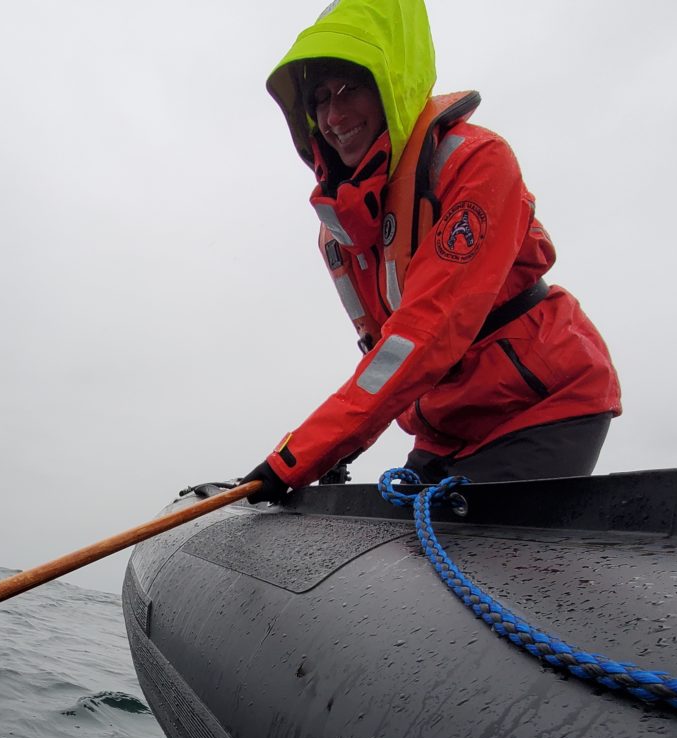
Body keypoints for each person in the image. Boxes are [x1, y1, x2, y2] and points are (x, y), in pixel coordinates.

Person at [243, 0, 621, 502]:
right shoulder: (338, 235)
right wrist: (333, 451)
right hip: (443, 425)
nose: (334, 115)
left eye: (351, 88)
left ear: (390, 84)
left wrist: (304, 454)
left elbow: (425, 333)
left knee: (472, 563)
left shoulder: (477, 162)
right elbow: (385, 356)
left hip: (541, 407)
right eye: (319, 99)